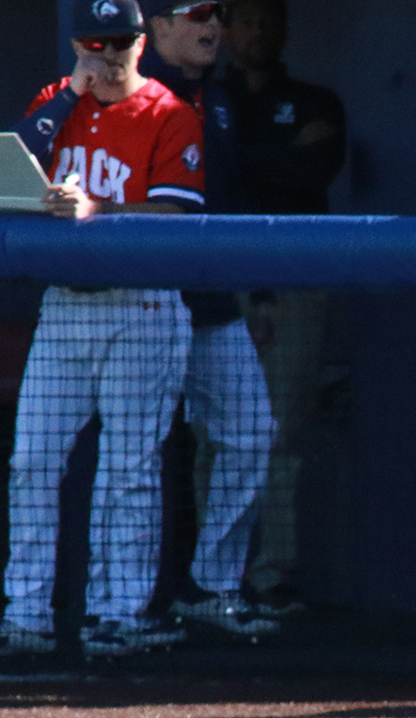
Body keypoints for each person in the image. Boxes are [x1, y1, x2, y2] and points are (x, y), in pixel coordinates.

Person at [2, 0, 203, 658]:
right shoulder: (56, 102)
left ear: (141, 43)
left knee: (128, 469)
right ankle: (26, 614)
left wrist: (98, 208)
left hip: (141, 306)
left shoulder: (171, 112)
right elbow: (11, 168)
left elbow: (177, 215)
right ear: (78, 45)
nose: (110, 54)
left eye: (121, 41)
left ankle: (117, 614)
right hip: (66, 307)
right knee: (32, 461)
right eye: (96, 42)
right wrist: (68, 97)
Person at [138, 0, 283, 643]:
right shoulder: (137, 96)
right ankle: (133, 601)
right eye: (196, 15)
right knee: (140, 455)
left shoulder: (218, 100)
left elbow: (234, 200)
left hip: (214, 304)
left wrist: (259, 287)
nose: (213, 27)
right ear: (159, 28)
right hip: (146, 303)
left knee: (252, 432)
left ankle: (211, 585)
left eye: (217, 14)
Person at [221, 0, 348, 617]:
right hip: (215, 285)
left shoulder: (317, 101)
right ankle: (215, 578)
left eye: (269, 19)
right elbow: (212, 177)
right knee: (212, 436)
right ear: (225, 27)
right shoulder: (201, 101)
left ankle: (271, 576)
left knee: (281, 432)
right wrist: (274, 155)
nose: (258, 30)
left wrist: (240, 157)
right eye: (246, 18)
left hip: (296, 283)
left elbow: (310, 172)